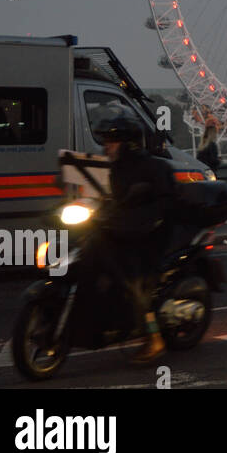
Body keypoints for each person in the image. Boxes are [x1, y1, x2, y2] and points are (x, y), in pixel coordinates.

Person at [90, 112, 175, 364]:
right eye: (105, 140)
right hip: (124, 231)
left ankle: (154, 340)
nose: (107, 146)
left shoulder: (153, 168)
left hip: (151, 237)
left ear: (130, 143)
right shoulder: (112, 169)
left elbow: (162, 207)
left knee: (134, 284)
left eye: (113, 141)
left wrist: (138, 219)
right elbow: (106, 197)